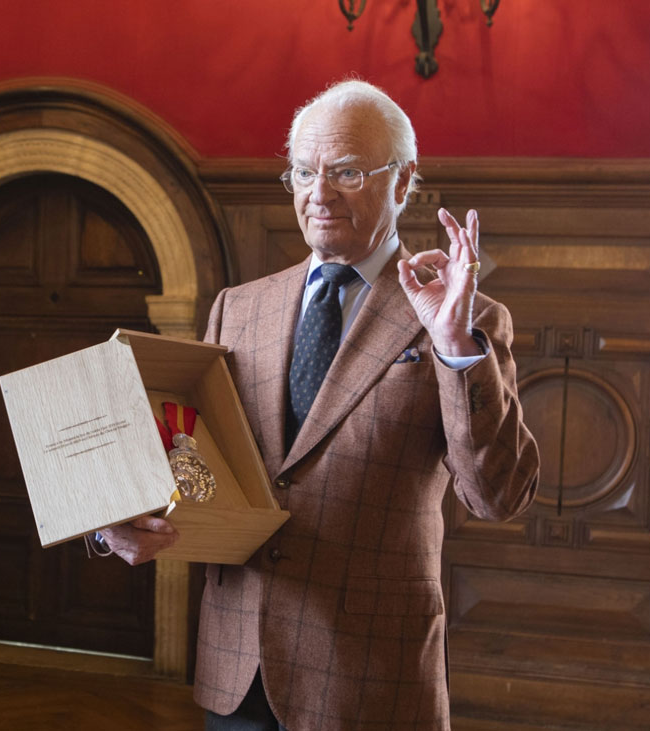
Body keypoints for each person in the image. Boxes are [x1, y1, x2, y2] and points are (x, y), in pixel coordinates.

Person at [96, 80, 540, 730]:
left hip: (372, 679)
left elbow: (499, 495)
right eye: (303, 171)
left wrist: (453, 348)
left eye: (347, 172)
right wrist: (117, 516)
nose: (318, 192)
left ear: (404, 178)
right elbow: (194, 463)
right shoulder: (236, 309)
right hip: (236, 672)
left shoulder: (463, 318)